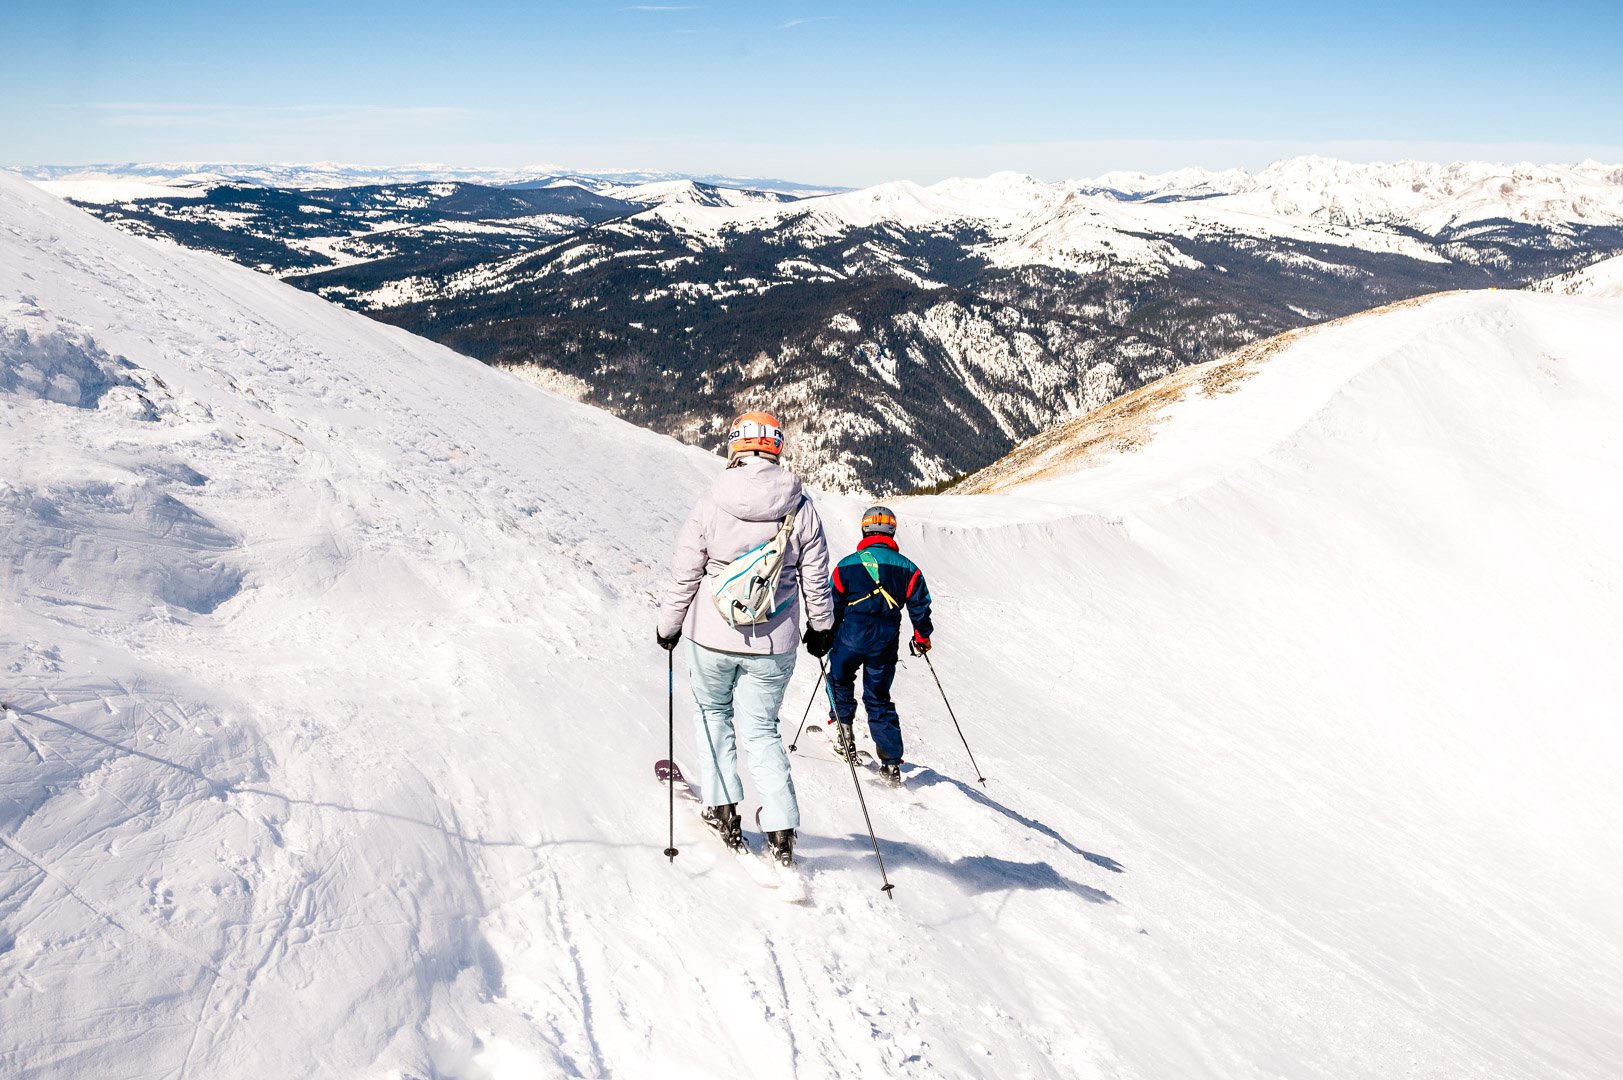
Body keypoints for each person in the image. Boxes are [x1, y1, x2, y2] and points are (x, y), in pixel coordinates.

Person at [657, 411, 836, 866]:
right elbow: (815, 579)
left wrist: (669, 626)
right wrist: (820, 629)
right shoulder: (801, 507)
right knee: (761, 730)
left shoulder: (711, 502)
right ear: (776, 447)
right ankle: (780, 829)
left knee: (713, 715)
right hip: (774, 642)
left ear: (735, 446)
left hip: (711, 636)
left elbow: (685, 573)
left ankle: (721, 807)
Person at [826, 505, 933, 785]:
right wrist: (922, 636)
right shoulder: (909, 568)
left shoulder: (846, 565)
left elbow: (833, 603)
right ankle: (890, 762)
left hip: (849, 635)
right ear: (892, 531)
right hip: (884, 643)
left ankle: (844, 732)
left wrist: (827, 633)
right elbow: (920, 606)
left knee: (839, 680)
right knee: (878, 696)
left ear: (865, 529)